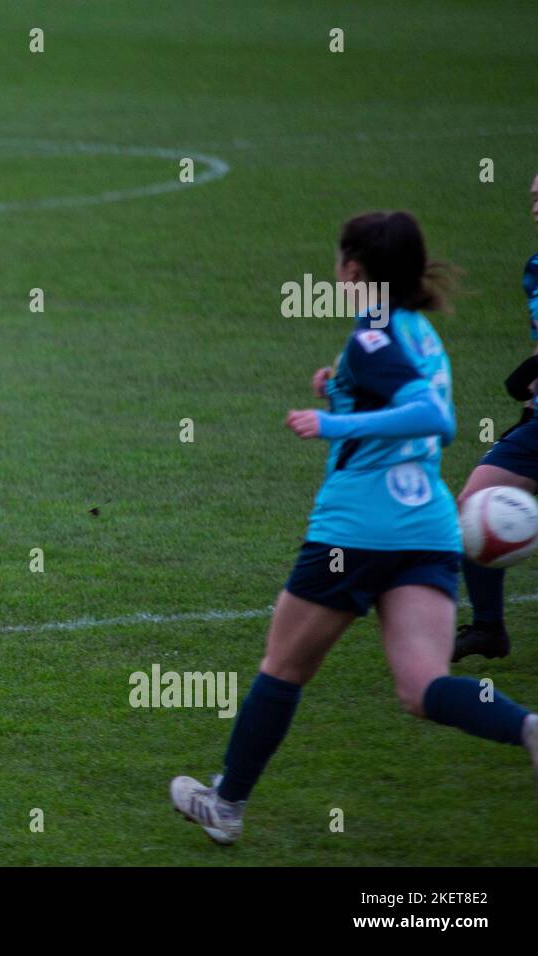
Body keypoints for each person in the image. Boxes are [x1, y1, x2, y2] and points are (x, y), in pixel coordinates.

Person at [169, 211, 538, 844]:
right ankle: (528, 729)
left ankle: (226, 804)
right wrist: (341, 391)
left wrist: (331, 423)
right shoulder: (416, 330)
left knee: (283, 667)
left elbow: (433, 415)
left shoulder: (373, 332)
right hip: (426, 531)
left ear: (354, 270)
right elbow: (400, 394)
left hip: (356, 532)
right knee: (424, 687)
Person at [452, 171, 538, 661]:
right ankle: (488, 627)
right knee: (474, 503)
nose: (535, 205)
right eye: (532, 197)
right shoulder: (536, 268)